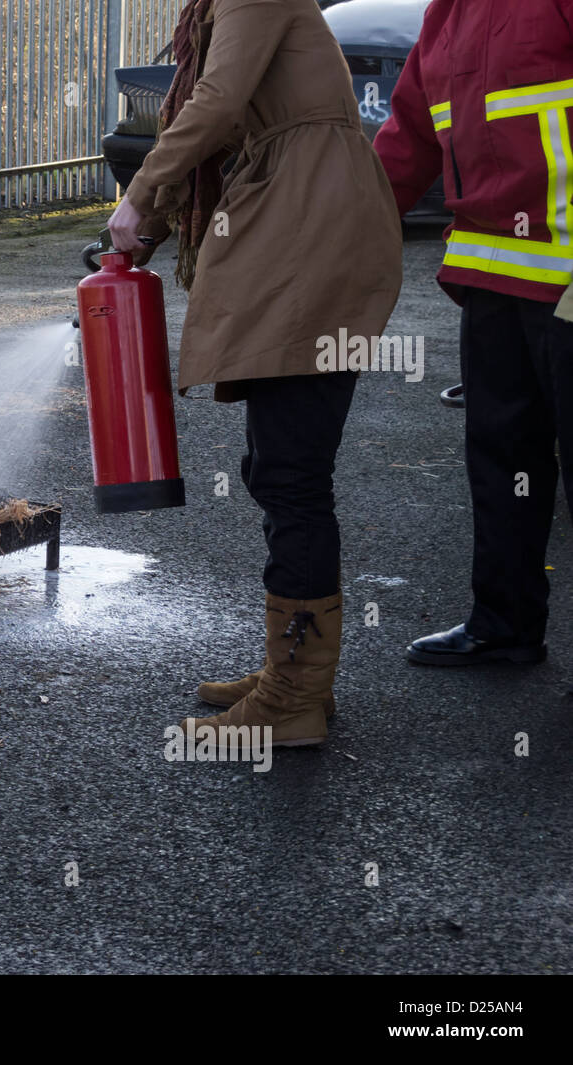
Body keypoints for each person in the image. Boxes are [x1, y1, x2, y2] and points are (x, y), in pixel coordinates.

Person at [107, 0, 403, 746]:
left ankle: (293, 698)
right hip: (300, 215)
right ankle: (294, 674)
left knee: (292, 470)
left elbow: (219, 99)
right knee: (276, 464)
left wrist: (142, 193)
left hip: (311, 225)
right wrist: (158, 219)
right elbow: (227, 122)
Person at [373, 0, 573, 670]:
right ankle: (505, 623)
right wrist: (344, 230)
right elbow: (408, 140)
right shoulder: (447, 14)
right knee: (502, 457)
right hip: (493, 273)